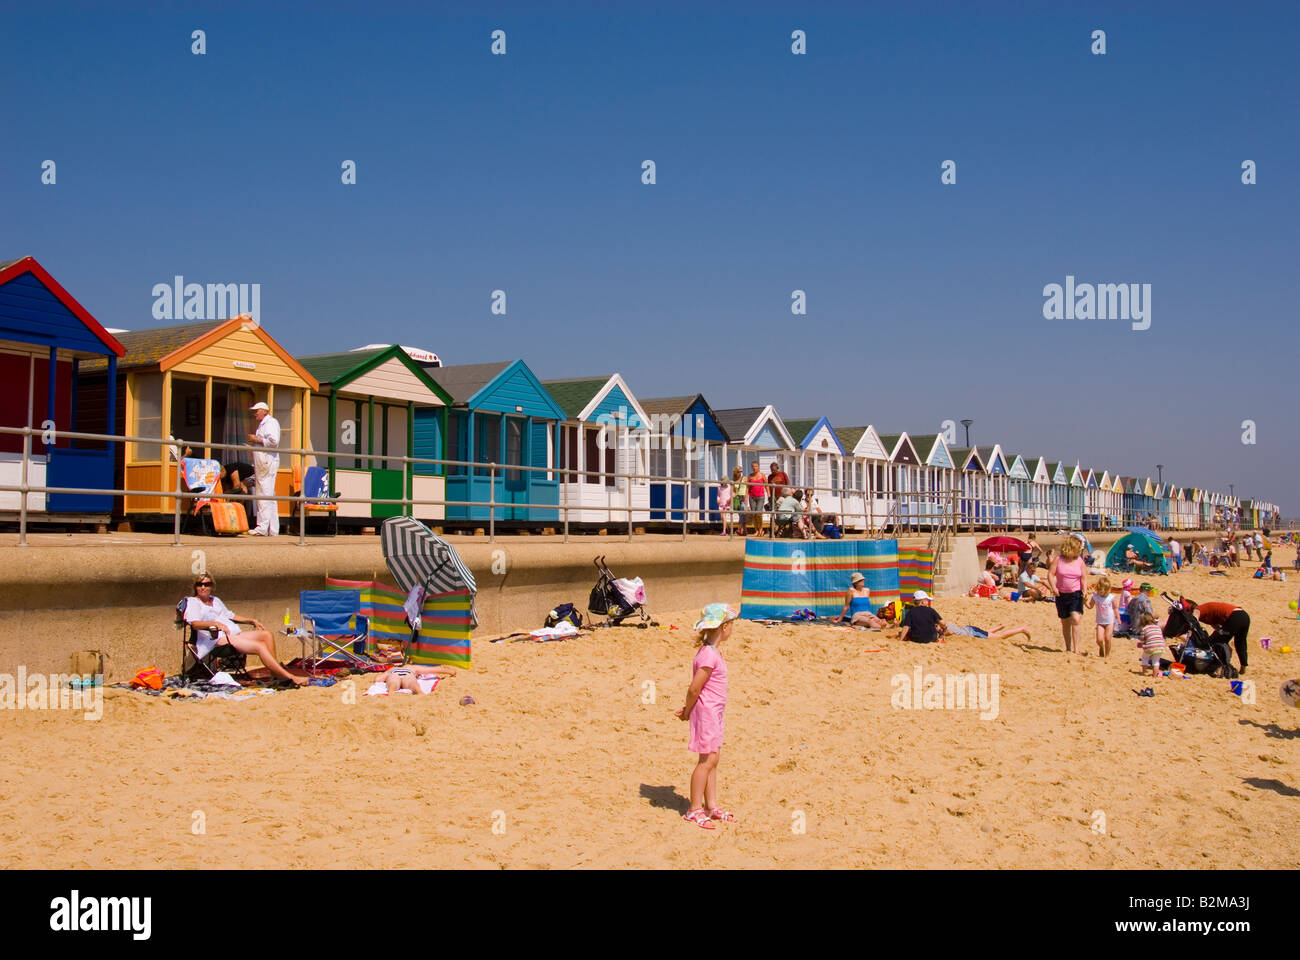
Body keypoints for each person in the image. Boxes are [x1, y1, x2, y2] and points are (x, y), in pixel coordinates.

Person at [676, 603, 738, 829]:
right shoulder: (707, 655)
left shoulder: (712, 652)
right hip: (707, 712)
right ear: (724, 627)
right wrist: (687, 711)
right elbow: (694, 689)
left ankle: (711, 805)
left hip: (715, 712)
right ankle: (694, 809)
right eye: (730, 625)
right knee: (706, 760)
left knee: (714, 758)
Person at [183, 575, 306, 685]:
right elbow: (195, 624)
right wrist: (215, 623)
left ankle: (275, 674)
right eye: (200, 584)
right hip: (216, 639)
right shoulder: (193, 602)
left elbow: (231, 616)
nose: (203, 587)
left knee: (266, 634)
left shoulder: (215, 601)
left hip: (233, 634)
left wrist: (251, 620)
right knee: (259, 646)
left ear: (212, 586)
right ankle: (289, 677)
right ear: (195, 587)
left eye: (207, 584)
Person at [247, 401, 281, 536]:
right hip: (266, 461)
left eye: (257, 411)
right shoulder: (266, 424)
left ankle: (262, 527)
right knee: (269, 495)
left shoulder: (270, 423)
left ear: (265, 411)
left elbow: (274, 441)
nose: (255, 413)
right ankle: (273, 529)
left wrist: (256, 440)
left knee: (263, 493)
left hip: (267, 462)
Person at [1048, 535, 1086, 653]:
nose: (1080, 551)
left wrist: (1084, 590)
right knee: (1065, 622)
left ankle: (1076, 649)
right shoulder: (1058, 560)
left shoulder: (1080, 561)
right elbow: (1050, 574)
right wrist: (1053, 588)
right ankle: (1068, 648)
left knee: (1075, 618)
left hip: (1075, 593)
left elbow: (1084, 578)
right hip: (1061, 594)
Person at [1193, 600, 1250, 673]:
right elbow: (1218, 627)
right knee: (1240, 643)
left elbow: (1193, 622)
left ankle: (1220, 667)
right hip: (1244, 616)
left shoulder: (1197, 609)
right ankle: (1243, 668)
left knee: (1215, 642)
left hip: (1235, 616)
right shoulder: (1208, 613)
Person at [374, 663, 457, 695]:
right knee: (413, 684)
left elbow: (378, 679)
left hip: (394, 673)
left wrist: (382, 676)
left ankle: (391, 691)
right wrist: (448, 671)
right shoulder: (412, 667)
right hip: (408, 673)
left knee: (392, 682)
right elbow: (431, 670)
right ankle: (419, 692)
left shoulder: (391, 669)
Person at [220, 459, 256, 528]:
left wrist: (229, 498)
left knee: (242, 490)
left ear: (222, 471)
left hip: (254, 474)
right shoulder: (224, 478)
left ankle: (245, 521)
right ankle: (241, 520)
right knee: (239, 491)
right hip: (243, 479)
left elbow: (236, 485)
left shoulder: (230, 468)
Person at [1085, 575, 1115, 657]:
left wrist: (1118, 618)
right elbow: (1090, 606)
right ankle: (1101, 647)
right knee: (1099, 639)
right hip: (1100, 621)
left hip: (1110, 621)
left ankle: (1107, 655)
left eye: (1105, 591)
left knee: (1108, 638)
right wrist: (1085, 601)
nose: (1103, 593)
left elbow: (1115, 608)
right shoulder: (1095, 597)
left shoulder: (1111, 597)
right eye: (1101, 591)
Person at [1135, 611, 1165, 679]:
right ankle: (1154, 676)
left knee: (1145, 657)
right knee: (1156, 662)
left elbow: (1142, 640)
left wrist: (1141, 644)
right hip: (1160, 646)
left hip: (1150, 647)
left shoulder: (1144, 629)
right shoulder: (1157, 627)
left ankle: (1144, 672)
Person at [944, 622, 1032, 641]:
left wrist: (942, 635)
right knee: (985, 633)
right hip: (969, 628)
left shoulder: (944, 628)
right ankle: (999, 627)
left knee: (1001, 636)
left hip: (972, 632)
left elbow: (950, 632)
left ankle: (1021, 629)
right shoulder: (943, 623)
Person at [746, 463, 766, 536]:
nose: (754, 468)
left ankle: (761, 529)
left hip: (760, 496)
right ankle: (756, 530)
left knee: (758, 513)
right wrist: (746, 496)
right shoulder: (750, 476)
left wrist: (769, 494)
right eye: (753, 466)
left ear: (758, 467)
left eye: (756, 466)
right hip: (752, 497)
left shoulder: (762, 475)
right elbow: (748, 487)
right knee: (754, 514)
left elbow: (766, 485)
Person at [716, 471, 734, 536]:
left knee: (723, 516)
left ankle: (724, 531)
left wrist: (730, 499)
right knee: (722, 517)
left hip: (726, 503)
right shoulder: (719, 488)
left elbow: (732, 494)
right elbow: (718, 495)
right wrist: (718, 499)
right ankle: (727, 528)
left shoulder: (729, 487)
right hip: (721, 503)